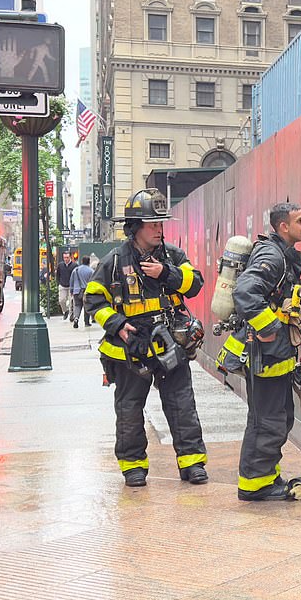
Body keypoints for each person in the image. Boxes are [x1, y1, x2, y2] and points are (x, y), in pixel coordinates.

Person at [84, 188, 208, 488]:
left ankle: (192, 463)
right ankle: (133, 467)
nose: (159, 229)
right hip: (131, 347)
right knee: (129, 408)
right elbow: (92, 299)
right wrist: (117, 324)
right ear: (135, 227)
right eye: (153, 224)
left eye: (160, 223)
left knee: (182, 404)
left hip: (170, 344)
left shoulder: (173, 256)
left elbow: (195, 284)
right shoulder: (114, 262)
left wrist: (165, 273)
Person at [226, 202, 301, 501]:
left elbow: (292, 295)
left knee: (280, 418)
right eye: (299, 221)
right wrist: (267, 328)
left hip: (278, 354)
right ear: (283, 226)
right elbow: (245, 291)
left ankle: (266, 477)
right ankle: (254, 485)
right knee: (266, 420)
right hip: (264, 354)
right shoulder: (272, 256)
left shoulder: (285, 255)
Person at [68, 256, 93, 328]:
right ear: (89, 262)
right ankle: (86, 322)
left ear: (82, 261)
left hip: (76, 291)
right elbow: (93, 282)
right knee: (87, 306)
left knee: (77, 306)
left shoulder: (75, 270)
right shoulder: (91, 271)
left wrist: (71, 290)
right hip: (86, 291)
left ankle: (76, 318)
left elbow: (71, 281)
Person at [56, 251, 76, 320]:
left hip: (71, 286)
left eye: (67, 257)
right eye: (64, 257)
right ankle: (65, 311)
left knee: (71, 302)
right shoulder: (60, 265)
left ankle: (71, 314)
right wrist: (58, 282)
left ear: (70, 257)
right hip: (62, 285)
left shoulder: (74, 265)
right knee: (61, 300)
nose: (66, 259)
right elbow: (57, 274)